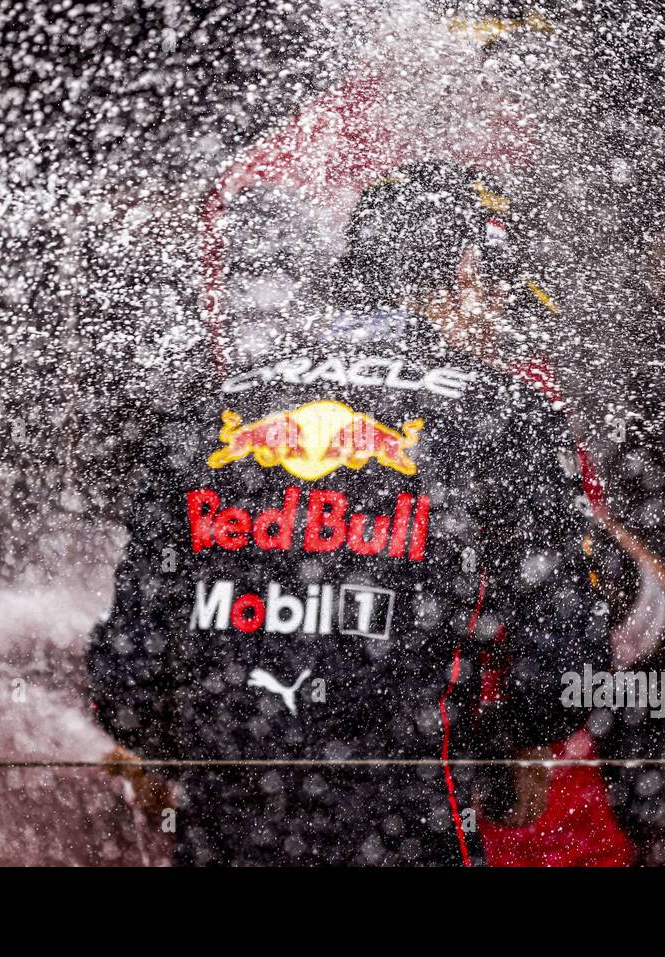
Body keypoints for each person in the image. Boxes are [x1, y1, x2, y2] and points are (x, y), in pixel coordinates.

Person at [88, 163, 610, 865]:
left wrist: (155, 739)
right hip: (410, 826)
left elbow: (131, 660)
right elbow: (563, 655)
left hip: (228, 830)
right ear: (463, 275)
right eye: (501, 298)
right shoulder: (507, 416)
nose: (503, 326)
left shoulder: (210, 407)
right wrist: (513, 743)